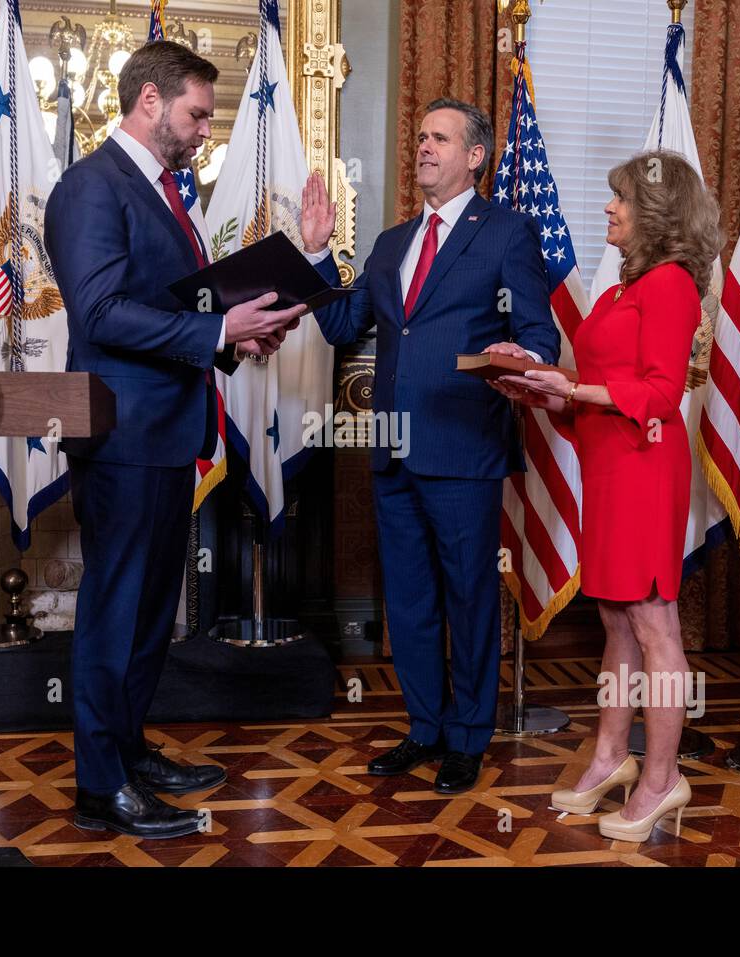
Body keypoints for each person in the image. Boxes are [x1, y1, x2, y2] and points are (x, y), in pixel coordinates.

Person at [45, 41, 307, 838]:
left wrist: (230, 337)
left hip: (162, 433)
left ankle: (126, 751)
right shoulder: (92, 186)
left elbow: (172, 308)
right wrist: (216, 325)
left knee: (153, 613)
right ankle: (100, 787)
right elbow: (97, 312)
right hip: (123, 438)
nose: (202, 131)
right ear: (150, 101)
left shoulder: (163, 191)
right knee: (116, 613)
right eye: (196, 114)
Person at [300, 98, 560, 794]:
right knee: (410, 599)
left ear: (476, 156)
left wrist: (523, 354)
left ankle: (470, 736)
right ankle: (425, 726)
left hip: (465, 446)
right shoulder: (391, 244)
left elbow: (540, 335)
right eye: (419, 136)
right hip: (392, 448)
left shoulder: (507, 232)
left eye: (439, 138)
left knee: (470, 596)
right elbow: (341, 326)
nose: (423, 147)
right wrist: (320, 254)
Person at [490, 150, 722, 841]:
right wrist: (537, 388)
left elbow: (659, 391)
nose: (607, 208)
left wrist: (571, 388)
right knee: (618, 620)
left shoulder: (673, 284)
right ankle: (609, 755)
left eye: (619, 198)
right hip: (607, 465)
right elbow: (596, 395)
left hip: (646, 468)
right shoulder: (623, 290)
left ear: (655, 211)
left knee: (655, 624)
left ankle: (661, 776)